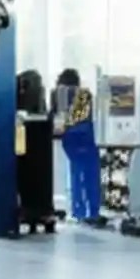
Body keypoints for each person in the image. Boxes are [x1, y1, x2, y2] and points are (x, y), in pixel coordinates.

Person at [51, 69, 103, 226]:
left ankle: (77, 211)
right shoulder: (84, 94)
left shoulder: (58, 93)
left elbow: (55, 117)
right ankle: (93, 212)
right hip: (87, 137)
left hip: (70, 139)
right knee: (92, 176)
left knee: (75, 174)